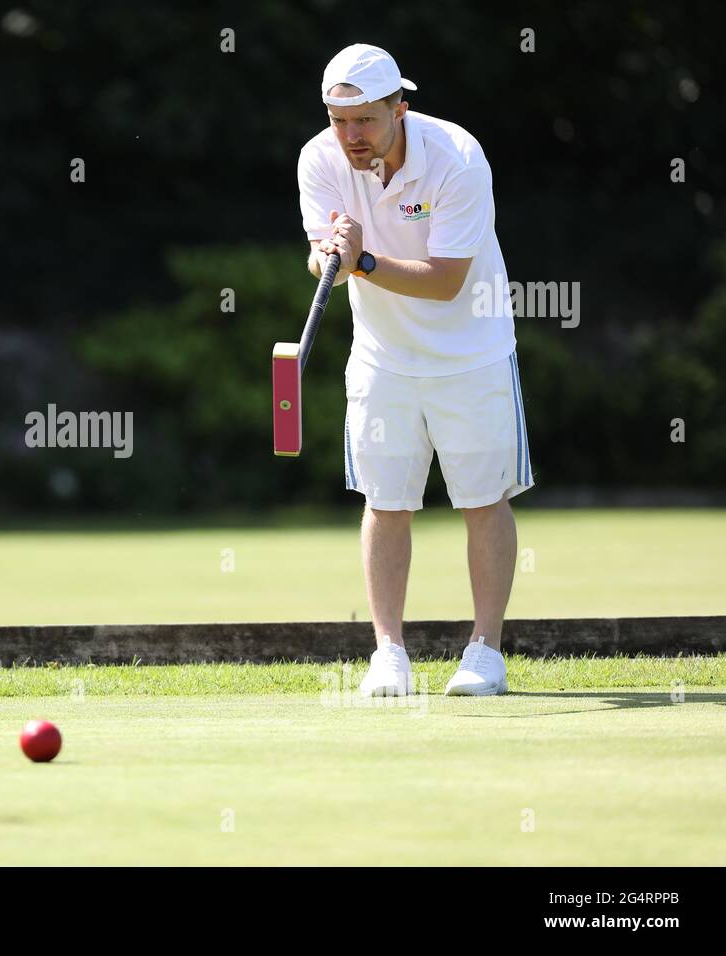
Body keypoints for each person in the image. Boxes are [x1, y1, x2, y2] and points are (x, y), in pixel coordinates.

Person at [297, 43, 532, 696]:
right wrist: (332, 257)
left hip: (472, 352)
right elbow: (323, 265)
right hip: (382, 357)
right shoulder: (319, 160)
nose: (351, 137)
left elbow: (447, 281)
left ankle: (485, 652)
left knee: (483, 499)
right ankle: (389, 654)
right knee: (386, 500)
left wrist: (364, 261)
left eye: (365, 120)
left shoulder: (456, 156)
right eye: (339, 121)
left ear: (400, 107)